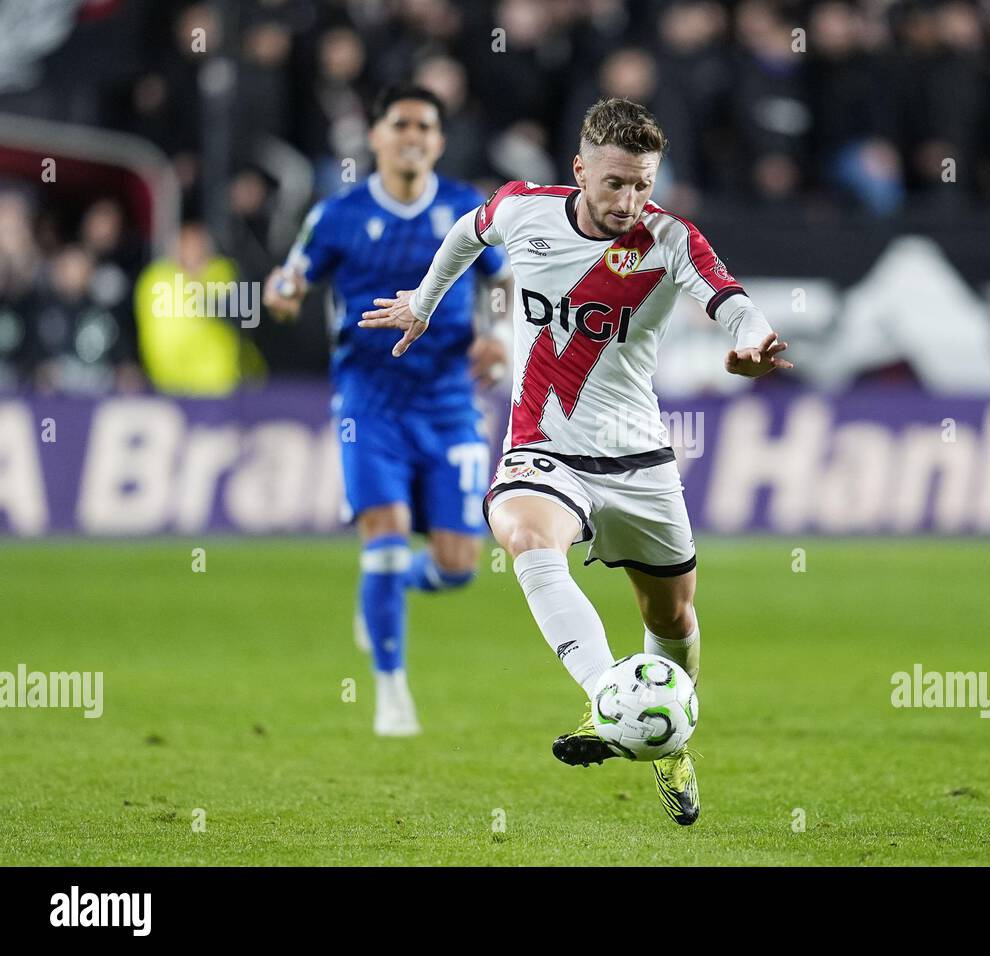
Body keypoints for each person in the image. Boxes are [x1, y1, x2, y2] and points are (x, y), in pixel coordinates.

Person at [359, 98, 791, 824]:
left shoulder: (670, 239)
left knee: (673, 613)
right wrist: (426, 304)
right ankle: (607, 700)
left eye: (644, 185)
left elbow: (732, 301)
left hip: (640, 460)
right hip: (543, 448)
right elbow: (467, 233)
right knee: (525, 534)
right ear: (580, 170)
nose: (630, 202)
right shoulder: (523, 210)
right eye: (616, 183)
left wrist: (754, 342)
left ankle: (668, 737)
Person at [264, 84, 513, 737]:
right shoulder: (338, 214)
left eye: (426, 126)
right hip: (368, 402)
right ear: (374, 136)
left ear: (437, 140)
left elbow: (508, 286)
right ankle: (391, 691)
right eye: (400, 123)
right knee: (386, 530)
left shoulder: (468, 209)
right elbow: (291, 284)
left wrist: (500, 337)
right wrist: (282, 292)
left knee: (459, 565)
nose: (413, 135)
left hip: (451, 400)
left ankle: (392, 586)